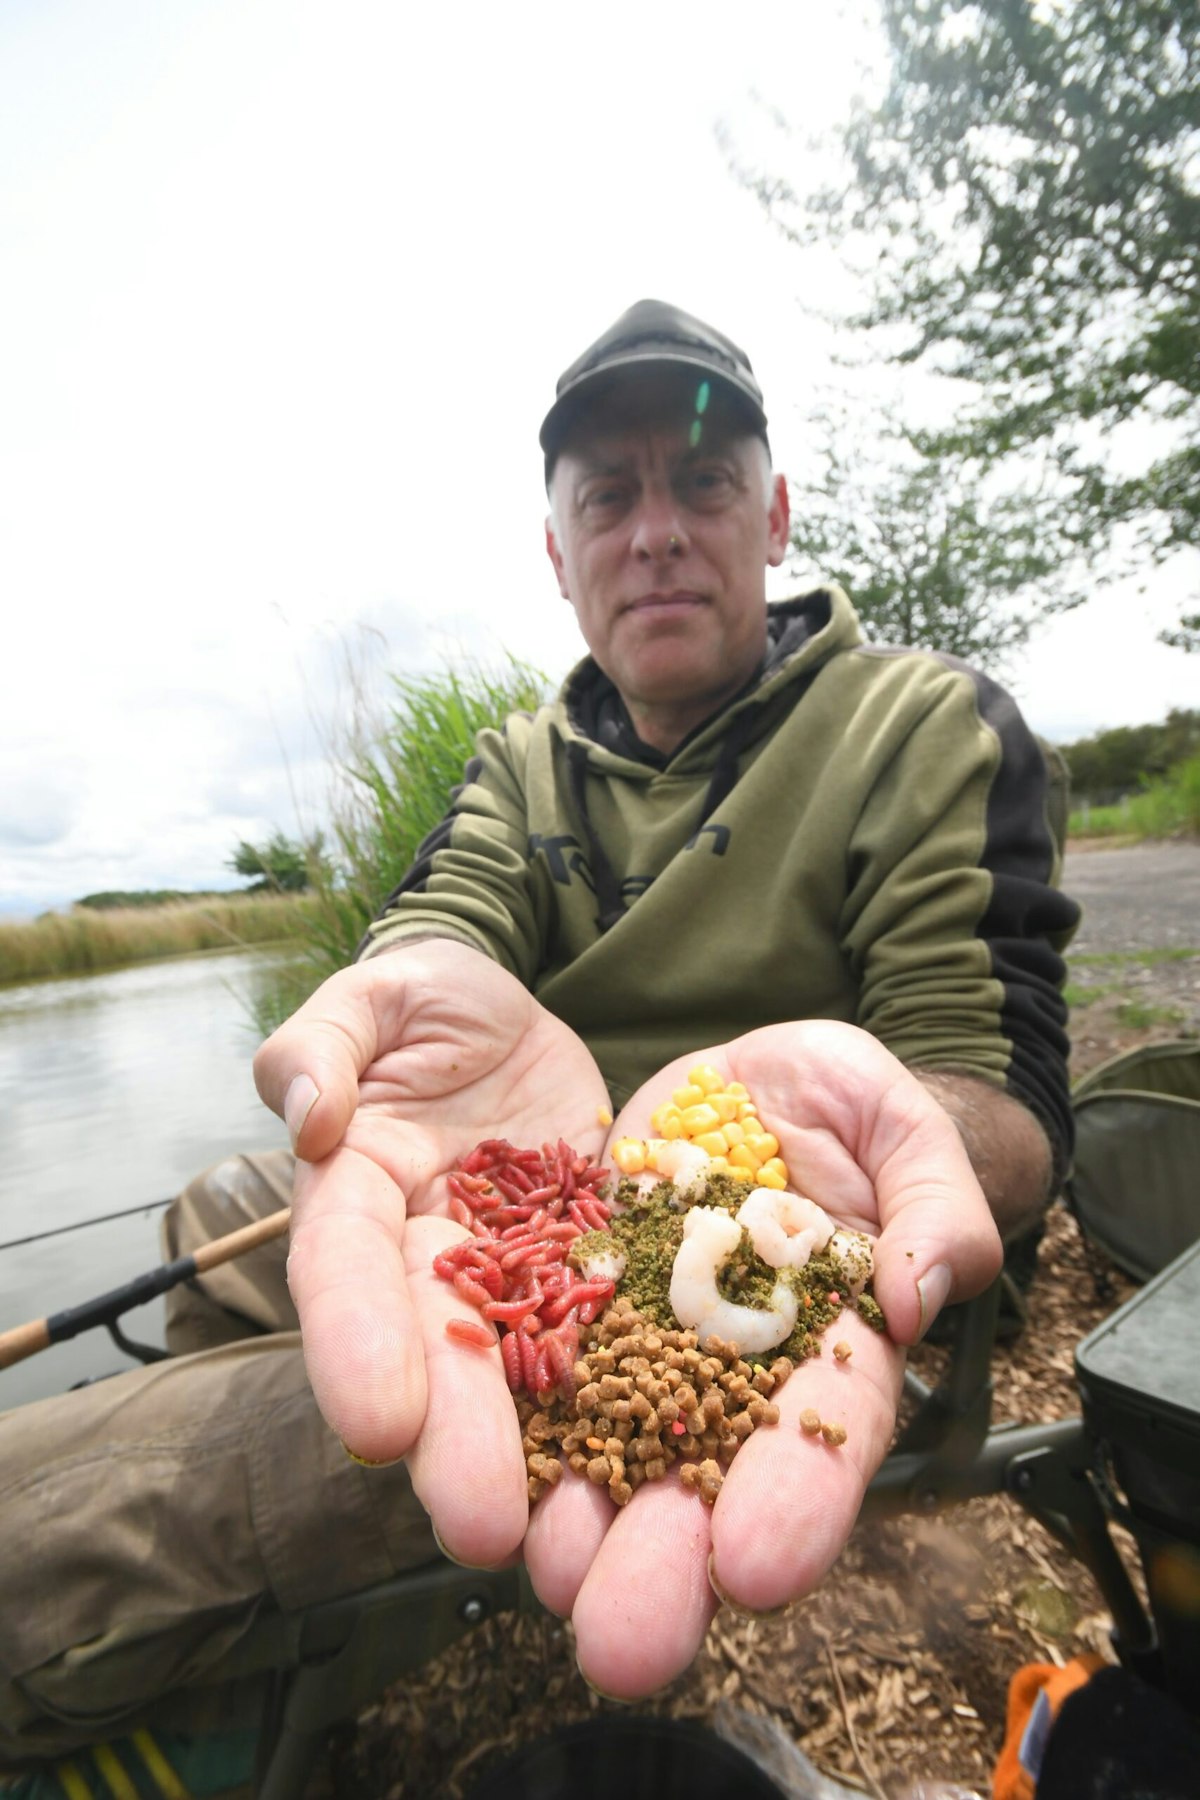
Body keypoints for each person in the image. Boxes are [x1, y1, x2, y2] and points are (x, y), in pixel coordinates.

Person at [0, 299, 1078, 1778]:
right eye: (607, 496)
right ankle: (259, 1628)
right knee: (229, 1208)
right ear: (555, 552)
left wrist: (861, 1145)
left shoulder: (927, 722)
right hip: (536, 1187)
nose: (655, 533)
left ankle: (173, 1565)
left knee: (104, 1485)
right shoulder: (518, 756)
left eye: (700, 485)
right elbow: (438, 926)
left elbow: (1008, 1099)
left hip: (789, 1264)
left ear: (772, 514)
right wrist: (399, 1002)